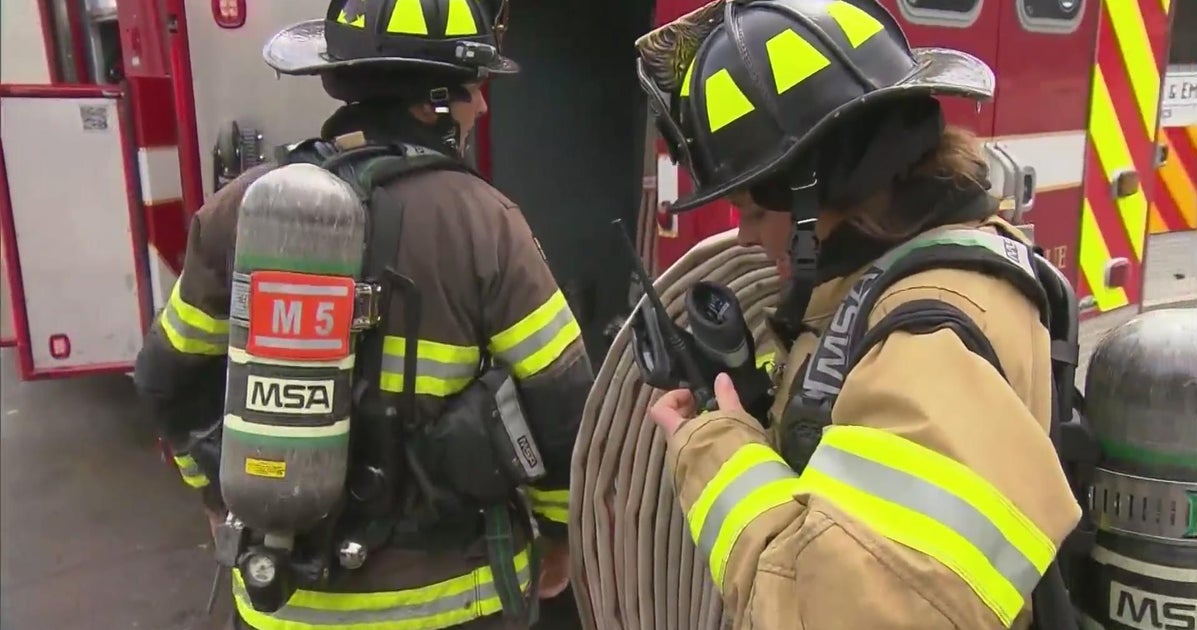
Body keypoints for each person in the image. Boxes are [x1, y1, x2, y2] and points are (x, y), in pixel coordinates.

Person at [133, 1, 593, 628]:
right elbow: (562, 402)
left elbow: (167, 379)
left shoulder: (241, 210)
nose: (480, 107)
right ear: (431, 99)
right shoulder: (486, 223)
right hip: (455, 603)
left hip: (284, 603)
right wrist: (560, 534)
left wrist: (217, 493)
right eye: (469, 90)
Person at [636, 1, 1083, 628]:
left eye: (755, 212)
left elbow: (823, 611)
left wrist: (715, 448)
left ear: (821, 194)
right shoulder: (879, 291)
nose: (742, 240)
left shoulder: (931, 343)